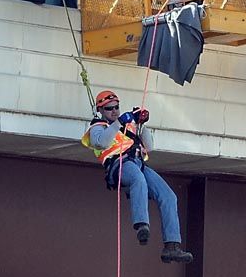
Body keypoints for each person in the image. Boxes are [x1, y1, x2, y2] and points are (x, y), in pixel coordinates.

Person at [81, 90, 193, 264]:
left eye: (117, 107)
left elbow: (149, 146)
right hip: (119, 166)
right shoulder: (98, 126)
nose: (114, 111)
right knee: (137, 180)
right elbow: (101, 142)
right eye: (109, 108)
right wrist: (119, 122)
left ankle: (172, 246)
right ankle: (142, 225)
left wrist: (142, 124)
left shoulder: (128, 125)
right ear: (101, 110)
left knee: (168, 195)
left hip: (138, 163)